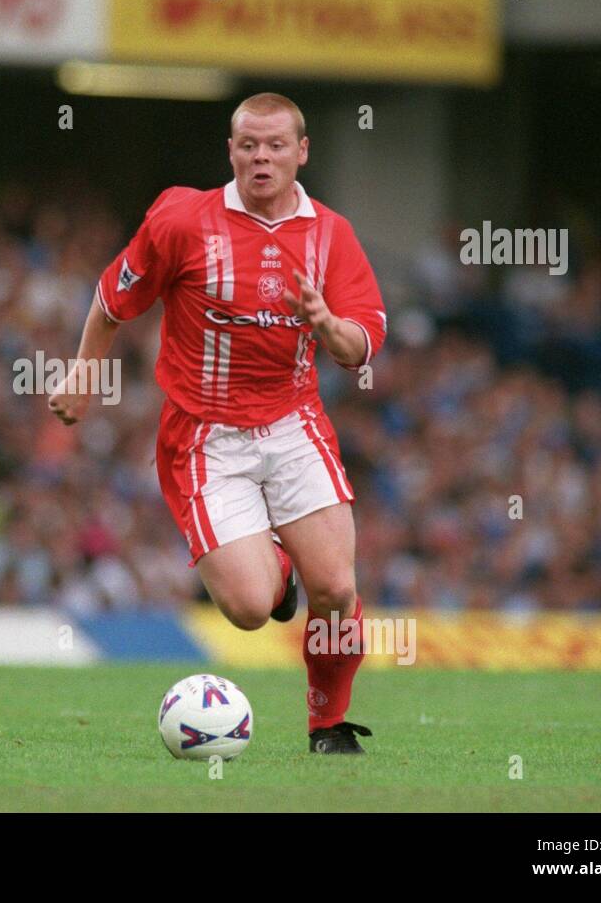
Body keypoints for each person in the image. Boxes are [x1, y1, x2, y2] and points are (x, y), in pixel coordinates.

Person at [50, 93, 387, 754]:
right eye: (248, 146)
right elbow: (114, 295)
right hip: (206, 436)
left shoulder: (330, 235)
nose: (261, 158)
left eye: (275, 145)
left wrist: (327, 325)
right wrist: (83, 369)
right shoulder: (182, 218)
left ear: (302, 151)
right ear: (231, 150)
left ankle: (329, 722)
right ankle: (277, 570)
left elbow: (361, 345)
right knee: (250, 607)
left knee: (340, 587)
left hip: (293, 423)